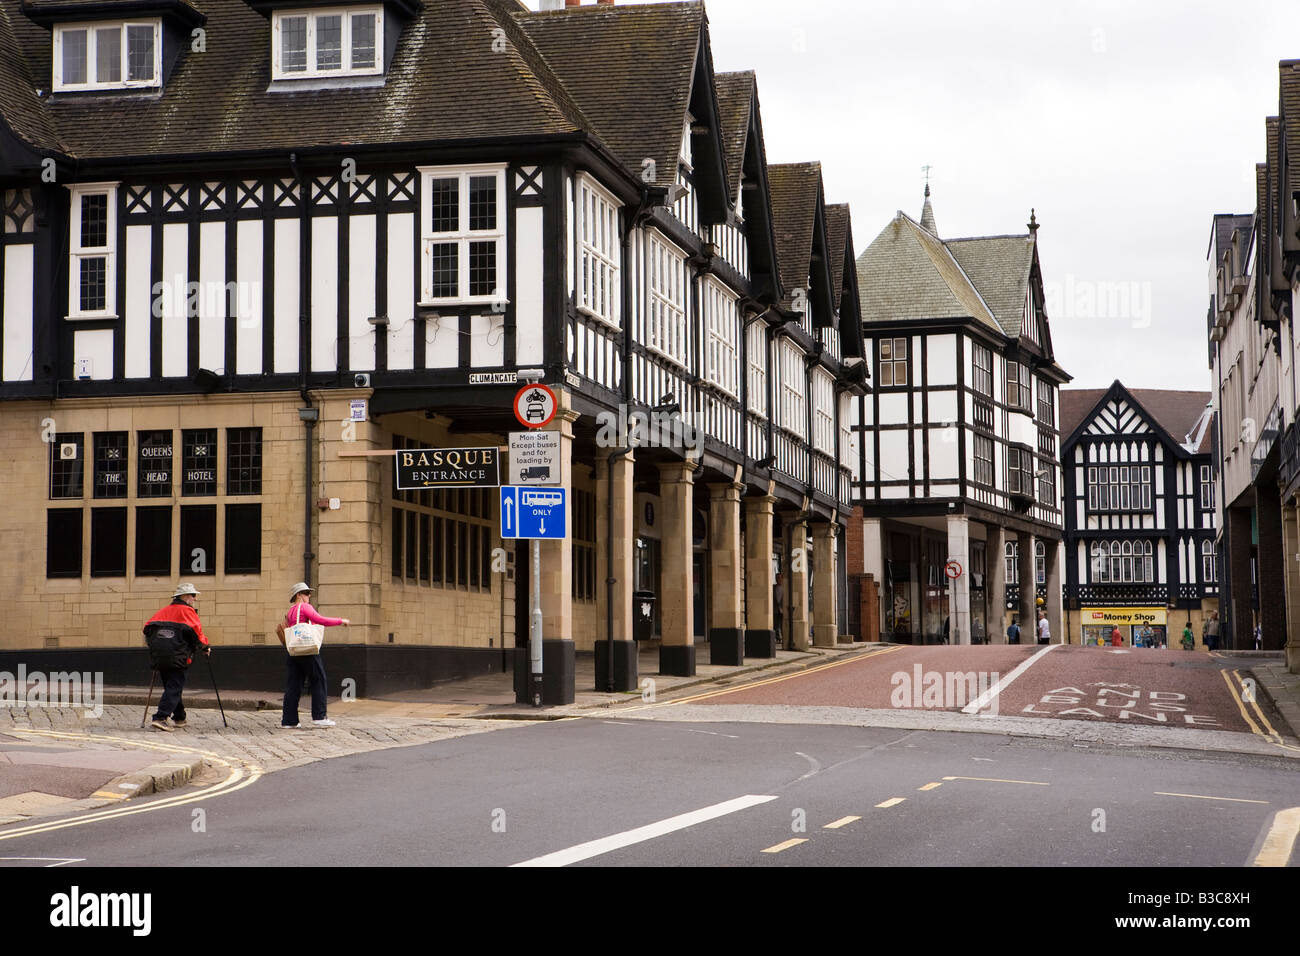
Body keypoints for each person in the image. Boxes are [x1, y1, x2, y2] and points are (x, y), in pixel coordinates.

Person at [278, 583, 349, 729]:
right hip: (308, 650)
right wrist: (340, 621)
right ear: (298, 595)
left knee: (293, 685)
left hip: (293, 651)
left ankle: (289, 721)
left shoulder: (290, 611)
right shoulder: (305, 607)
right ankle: (319, 716)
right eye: (306, 593)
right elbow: (320, 620)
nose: (309, 596)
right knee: (319, 680)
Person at [143, 583, 211, 732]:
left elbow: (147, 629)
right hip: (178, 656)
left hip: (159, 656)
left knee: (172, 686)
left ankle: (179, 717)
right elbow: (196, 632)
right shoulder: (187, 611)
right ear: (185, 597)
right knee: (175, 686)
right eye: (193, 596)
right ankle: (160, 717)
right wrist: (205, 647)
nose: (195, 599)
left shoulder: (163, 611)